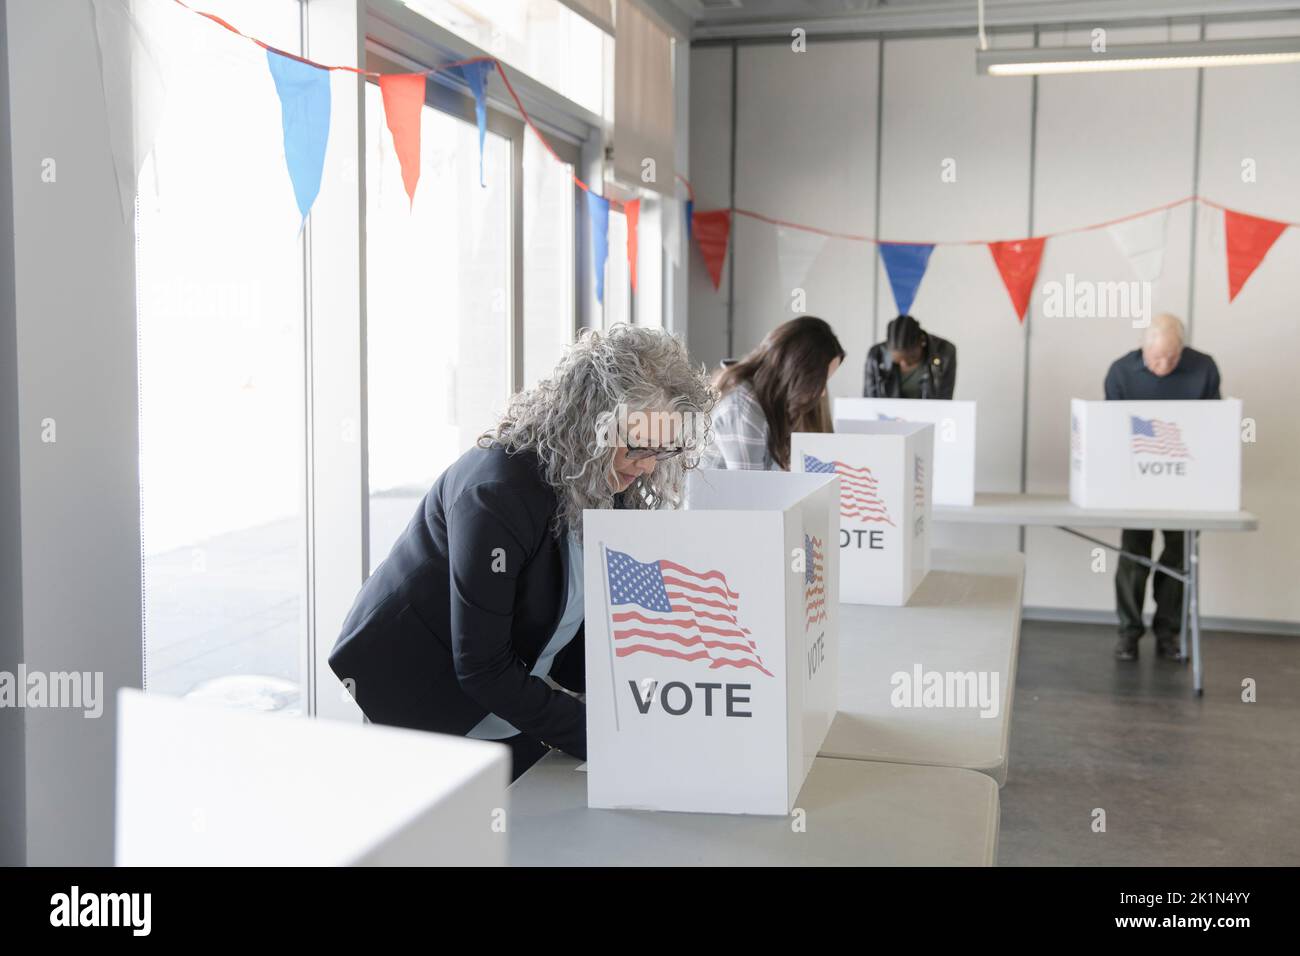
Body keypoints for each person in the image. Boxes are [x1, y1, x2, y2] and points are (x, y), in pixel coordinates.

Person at [329, 325, 715, 780]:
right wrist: (611, 739)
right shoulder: (497, 492)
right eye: (639, 446)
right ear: (588, 422)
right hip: (419, 685)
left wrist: (664, 697)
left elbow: (576, 628)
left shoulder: (612, 476)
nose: (650, 464)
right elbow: (482, 667)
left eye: (664, 448)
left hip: (505, 689)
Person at [1105, 313, 1222, 662]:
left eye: (1172, 357)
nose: (1165, 364)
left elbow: (1214, 424)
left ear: (1182, 349)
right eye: (1157, 357)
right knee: (1133, 555)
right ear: (1143, 348)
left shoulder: (1204, 368)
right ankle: (1128, 632)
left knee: (1179, 555)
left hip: (1186, 481)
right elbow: (1110, 431)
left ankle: (1168, 632)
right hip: (1135, 482)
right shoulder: (1121, 372)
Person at [700, 315, 845, 471]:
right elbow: (749, 490)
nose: (822, 392)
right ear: (796, 373)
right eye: (820, 381)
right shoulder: (742, 409)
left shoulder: (770, 401)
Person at [863, 313, 956, 399]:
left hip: (930, 415)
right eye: (897, 360)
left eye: (911, 358)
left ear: (922, 342)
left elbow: (944, 402)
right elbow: (869, 402)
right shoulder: (875, 356)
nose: (904, 364)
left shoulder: (945, 353)